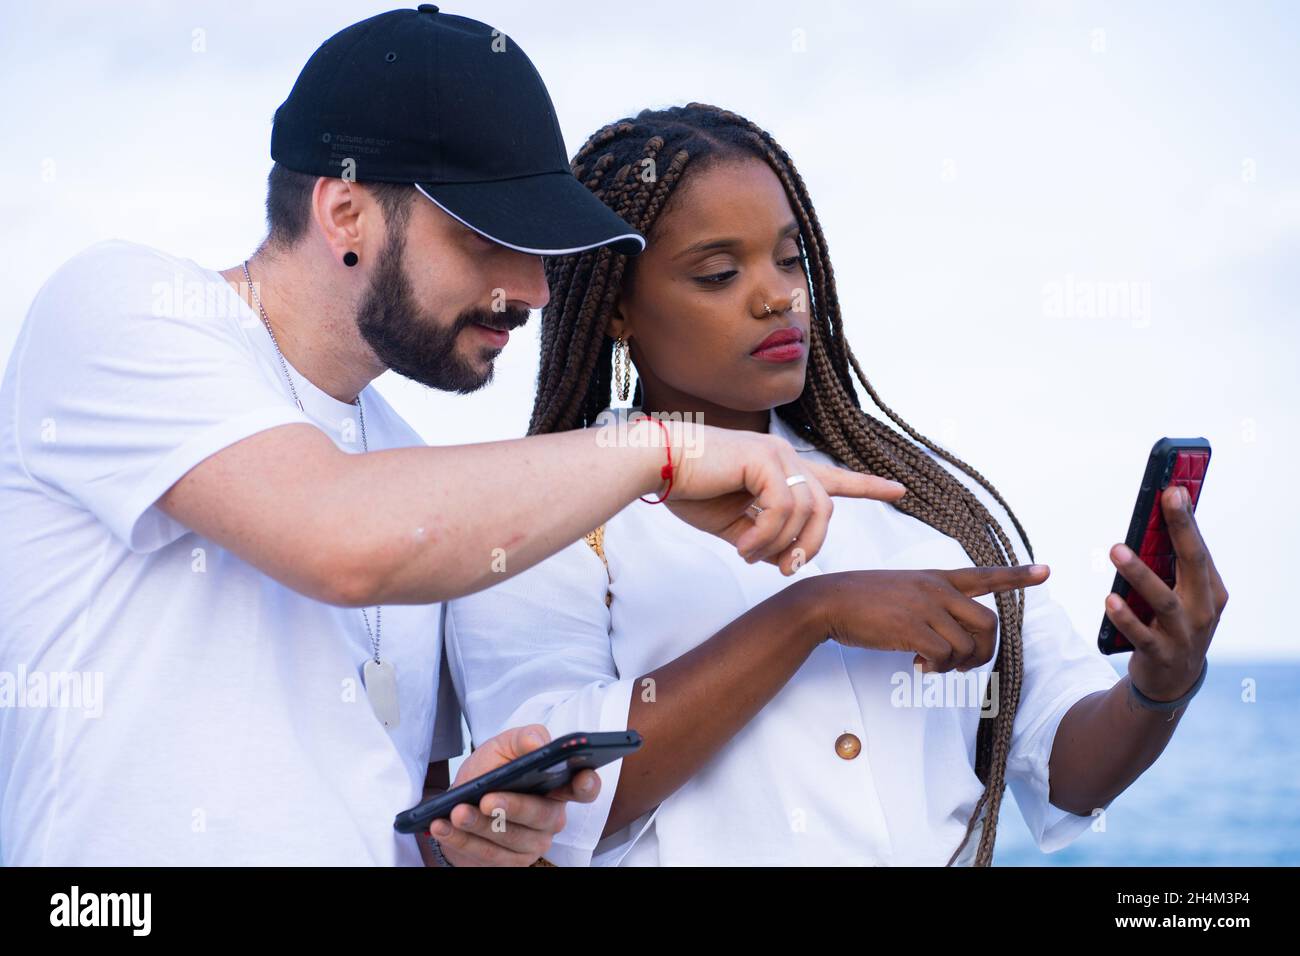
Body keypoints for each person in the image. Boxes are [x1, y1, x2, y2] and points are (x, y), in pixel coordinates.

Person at [0, 13, 901, 867]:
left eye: (542, 248)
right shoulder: (123, 306)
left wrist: (468, 829)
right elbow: (341, 540)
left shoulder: (412, 468)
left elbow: (373, 801)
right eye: (486, 239)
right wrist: (660, 449)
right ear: (345, 211)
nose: (534, 290)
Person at [443, 103, 1230, 866]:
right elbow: (546, 794)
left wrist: (1160, 688)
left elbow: (1068, 762)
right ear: (616, 309)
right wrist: (812, 614)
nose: (777, 296)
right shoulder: (540, 516)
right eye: (719, 272)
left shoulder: (925, 502)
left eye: (790, 259)